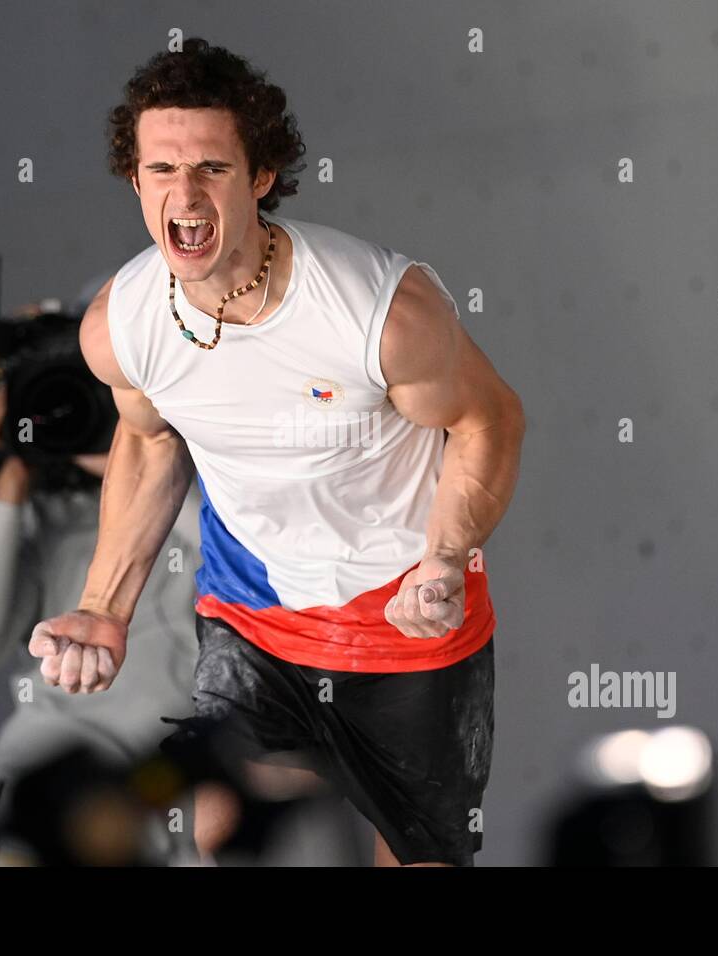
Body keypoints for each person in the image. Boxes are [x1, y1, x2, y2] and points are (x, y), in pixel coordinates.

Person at [29, 38, 526, 867]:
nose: (183, 196)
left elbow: (491, 421)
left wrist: (445, 557)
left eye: (212, 169)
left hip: (402, 612)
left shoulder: (378, 311)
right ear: (136, 180)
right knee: (222, 825)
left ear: (260, 176)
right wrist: (104, 608)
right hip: (253, 605)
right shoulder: (124, 325)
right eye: (160, 171)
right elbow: (151, 444)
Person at [0, 369, 203, 865]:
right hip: (50, 795)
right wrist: (11, 476)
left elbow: (268, 569)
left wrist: (141, 464)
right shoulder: (52, 515)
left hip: (188, 798)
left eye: (117, 386)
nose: (99, 405)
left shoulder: (221, 490)